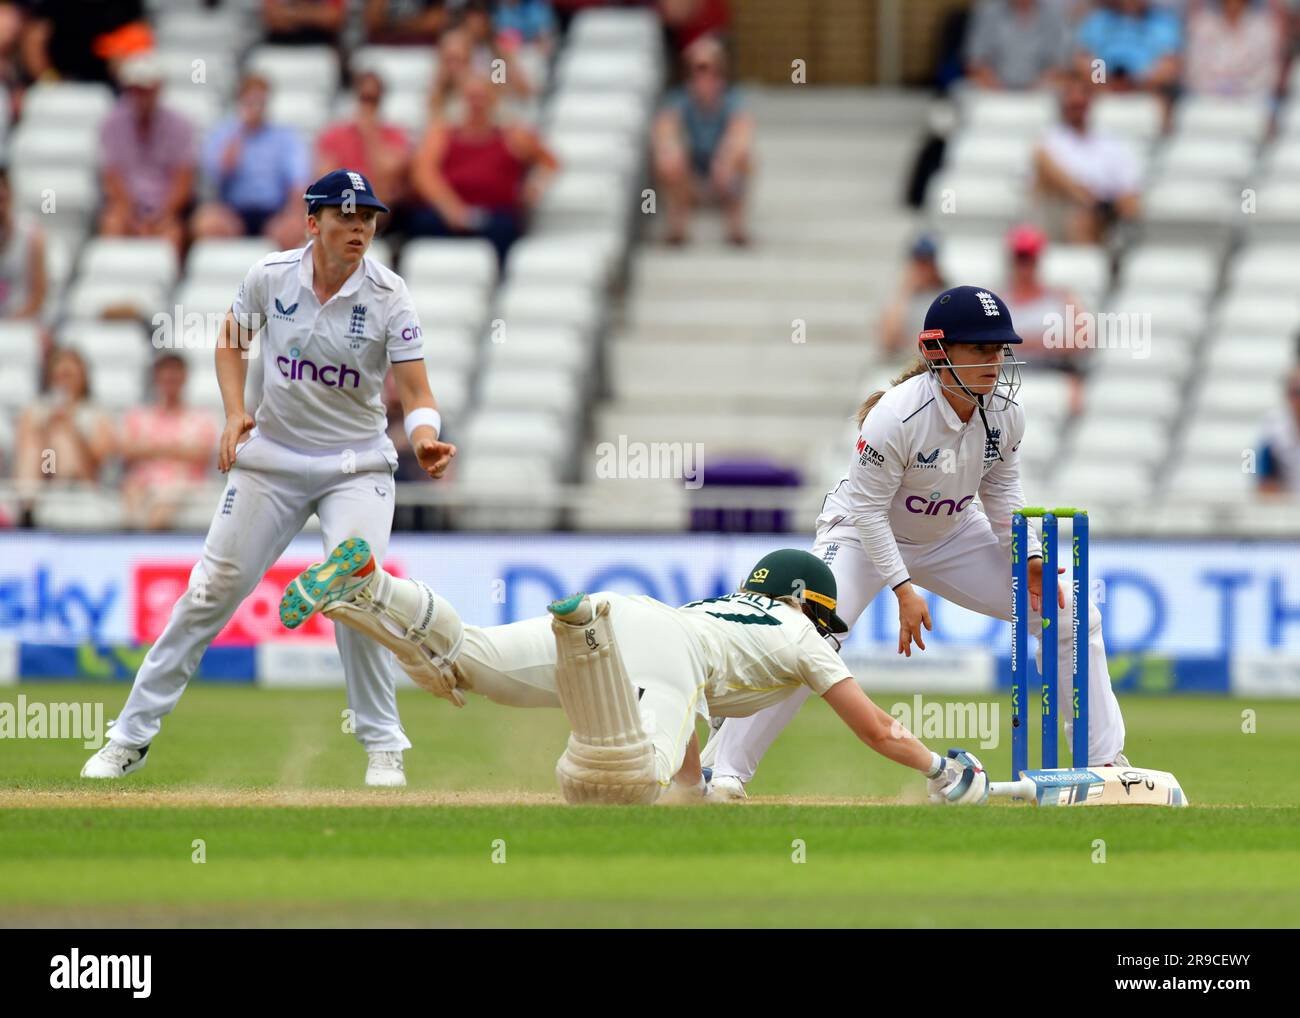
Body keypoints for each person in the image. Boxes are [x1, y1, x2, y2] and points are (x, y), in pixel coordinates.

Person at [80, 168, 458, 787]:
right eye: (345, 215)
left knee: (352, 592)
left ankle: (383, 747)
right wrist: (234, 413)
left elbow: (417, 391)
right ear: (314, 222)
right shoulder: (269, 276)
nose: (359, 226)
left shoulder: (389, 294)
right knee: (208, 595)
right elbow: (231, 343)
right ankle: (129, 738)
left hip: (355, 465)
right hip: (273, 457)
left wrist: (423, 438)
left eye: (367, 217)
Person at [699, 285, 1129, 800]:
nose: (994, 363)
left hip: (950, 531)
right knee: (805, 638)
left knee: (1070, 612)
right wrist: (903, 589)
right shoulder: (895, 418)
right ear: (937, 353)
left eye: (999, 350)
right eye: (979, 350)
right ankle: (721, 773)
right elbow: (867, 510)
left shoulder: (1006, 412)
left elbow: (1001, 492)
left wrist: (1030, 555)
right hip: (861, 533)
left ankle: (1104, 764)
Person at [279, 540, 992, 806]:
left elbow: (681, 713)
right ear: (807, 603)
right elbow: (876, 728)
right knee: (619, 783)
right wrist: (940, 767)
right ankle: (580, 634)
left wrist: (699, 790)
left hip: (633, 615)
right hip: (658, 646)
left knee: (471, 663)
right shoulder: (804, 634)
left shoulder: (719, 606)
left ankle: (373, 586)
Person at [408, 73, 558, 264]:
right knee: (418, 222)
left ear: (493, 100)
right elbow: (423, 174)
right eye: (471, 97)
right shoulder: (443, 134)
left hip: (495, 215)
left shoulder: (513, 135)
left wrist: (536, 184)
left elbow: (549, 161)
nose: (476, 104)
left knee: (504, 230)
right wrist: (452, 209)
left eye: (482, 97)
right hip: (449, 214)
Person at [652, 34, 753, 245]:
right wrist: (672, 150)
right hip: (691, 175)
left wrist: (727, 158)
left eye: (712, 70)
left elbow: (742, 132)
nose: (705, 77)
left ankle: (735, 227)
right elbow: (665, 130)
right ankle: (677, 226)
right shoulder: (678, 99)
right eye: (699, 69)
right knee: (667, 160)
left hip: (723, 174)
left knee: (743, 158)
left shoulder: (733, 100)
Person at [192, 74, 310, 252]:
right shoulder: (223, 134)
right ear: (240, 103)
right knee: (206, 224)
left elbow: (298, 182)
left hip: (273, 212)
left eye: (260, 102)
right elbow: (214, 177)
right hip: (233, 212)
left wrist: (293, 213)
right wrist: (240, 134)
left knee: (296, 229)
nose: (255, 108)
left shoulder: (284, 137)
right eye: (250, 102)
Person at [98, 52, 195, 255]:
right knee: (113, 224)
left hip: (165, 209)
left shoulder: (180, 125)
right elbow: (111, 177)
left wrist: (161, 215)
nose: (139, 96)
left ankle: (168, 281)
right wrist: (131, 214)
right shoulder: (112, 124)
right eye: (134, 90)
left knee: (171, 234)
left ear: (158, 89)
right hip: (127, 208)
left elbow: (183, 180)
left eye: (145, 90)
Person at [1034, 75, 1142, 243]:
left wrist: (1111, 206)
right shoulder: (1050, 140)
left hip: (1107, 214)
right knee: (1081, 217)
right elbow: (1045, 172)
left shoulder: (1111, 143)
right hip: (1065, 211)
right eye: (1071, 94)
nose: (1077, 100)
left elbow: (1129, 189)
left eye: (1083, 94)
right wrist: (1088, 200)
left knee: (1125, 206)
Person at [14, 347, 115, 524]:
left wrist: (72, 427)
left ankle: (58, 492)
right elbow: (30, 452)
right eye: (59, 376)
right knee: (37, 445)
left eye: (69, 376)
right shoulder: (36, 411)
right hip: (47, 472)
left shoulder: (97, 414)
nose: (64, 383)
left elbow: (97, 463)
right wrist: (46, 430)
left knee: (63, 438)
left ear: (83, 377)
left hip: (83, 480)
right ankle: (27, 507)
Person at [119, 354, 219, 530]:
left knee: (165, 500)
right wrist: (176, 449)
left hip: (183, 484)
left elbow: (203, 454)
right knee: (132, 493)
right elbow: (126, 451)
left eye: (175, 374)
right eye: (165, 374)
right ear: (156, 378)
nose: (170, 379)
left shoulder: (201, 418)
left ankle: (145, 541)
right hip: (143, 485)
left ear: (184, 377)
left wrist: (151, 449)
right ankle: (135, 540)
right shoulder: (139, 415)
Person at [1000, 224, 1087, 412]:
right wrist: (1045, 341)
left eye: (1028, 258)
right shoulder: (996, 299)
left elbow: (1082, 340)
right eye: (1020, 258)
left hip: (1052, 372)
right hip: (1005, 375)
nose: (1024, 266)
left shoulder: (1061, 298)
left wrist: (1016, 341)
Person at [315, 71, 411, 216]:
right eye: (364, 98)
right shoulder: (334, 135)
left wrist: (370, 136)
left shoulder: (395, 134)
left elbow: (388, 176)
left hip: (381, 205)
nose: (368, 106)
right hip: (345, 202)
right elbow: (325, 178)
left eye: (373, 99)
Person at [1074, 0, 1181, 93]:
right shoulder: (1098, 21)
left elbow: (1169, 64)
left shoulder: (1163, 22)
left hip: (1148, 95)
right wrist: (1105, 82)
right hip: (1104, 93)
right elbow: (1086, 60)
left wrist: (1138, 83)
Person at [1184, 0, 1284, 99]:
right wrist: (1218, 87)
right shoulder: (1202, 25)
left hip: (1252, 98)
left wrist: (1241, 87)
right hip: (1207, 97)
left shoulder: (1263, 27)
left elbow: (1268, 72)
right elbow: (1194, 70)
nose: (1233, 4)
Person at [964, 0, 1072, 90]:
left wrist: (1038, 86)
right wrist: (997, 87)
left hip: (1041, 93)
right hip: (994, 92)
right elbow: (974, 61)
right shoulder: (987, 13)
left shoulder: (1054, 16)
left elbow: (1061, 63)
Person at [879, 235, 948, 359]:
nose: (924, 268)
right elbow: (889, 341)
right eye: (919, 261)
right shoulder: (897, 293)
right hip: (903, 363)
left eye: (928, 262)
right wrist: (906, 291)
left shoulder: (947, 294)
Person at [0, 164, 47, 321]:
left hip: (21, 324)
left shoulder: (32, 237)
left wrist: (12, 322)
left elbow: (38, 297)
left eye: (2, 199)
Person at [1258, 364, 1300, 497]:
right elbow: (1250, 456)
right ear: (1287, 395)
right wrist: (1261, 478)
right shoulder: (1273, 426)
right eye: (1297, 392)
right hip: (1285, 506)